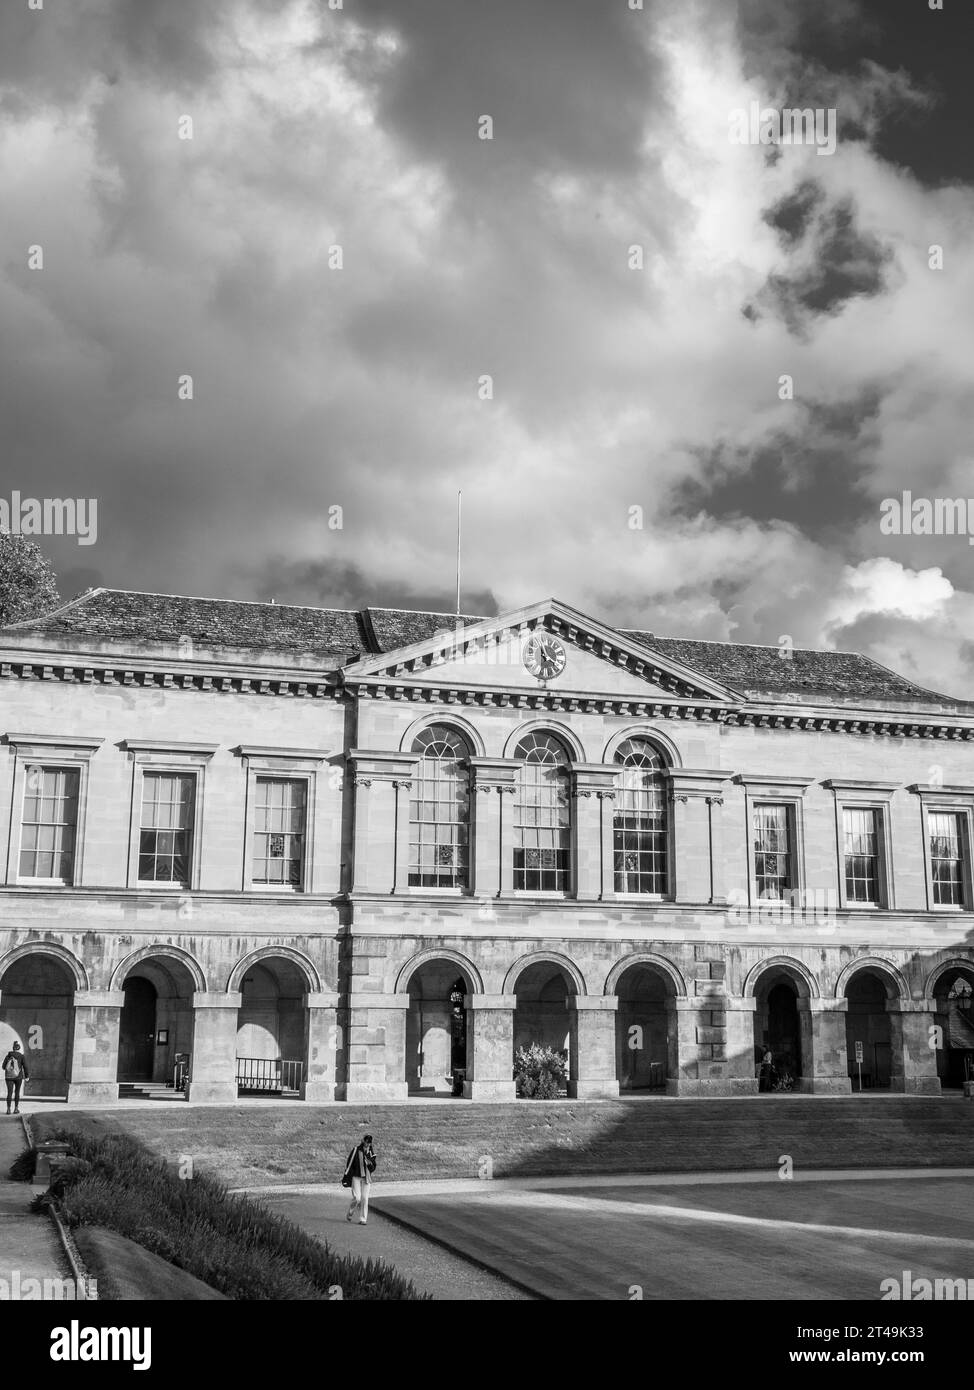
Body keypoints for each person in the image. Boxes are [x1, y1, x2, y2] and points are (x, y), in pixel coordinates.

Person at [343, 1133, 377, 1225]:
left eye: (369, 1143)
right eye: (367, 1142)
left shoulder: (371, 1153)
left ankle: (363, 1219)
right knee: (357, 1198)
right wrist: (346, 1176)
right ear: (363, 1141)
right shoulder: (355, 1150)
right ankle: (350, 1213)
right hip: (356, 1177)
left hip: (366, 1178)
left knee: (365, 1198)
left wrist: (370, 1164)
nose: (368, 1145)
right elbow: (349, 1164)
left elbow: (373, 1168)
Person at [3, 1042, 29, 1115]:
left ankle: (8, 1109)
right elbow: (25, 1067)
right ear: (19, 1049)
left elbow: (3, 1067)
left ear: (13, 1048)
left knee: (9, 1092)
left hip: (8, 1077)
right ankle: (16, 1109)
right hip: (18, 1077)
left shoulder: (8, 1056)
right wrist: (27, 1076)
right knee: (17, 1092)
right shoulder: (21, 1056)